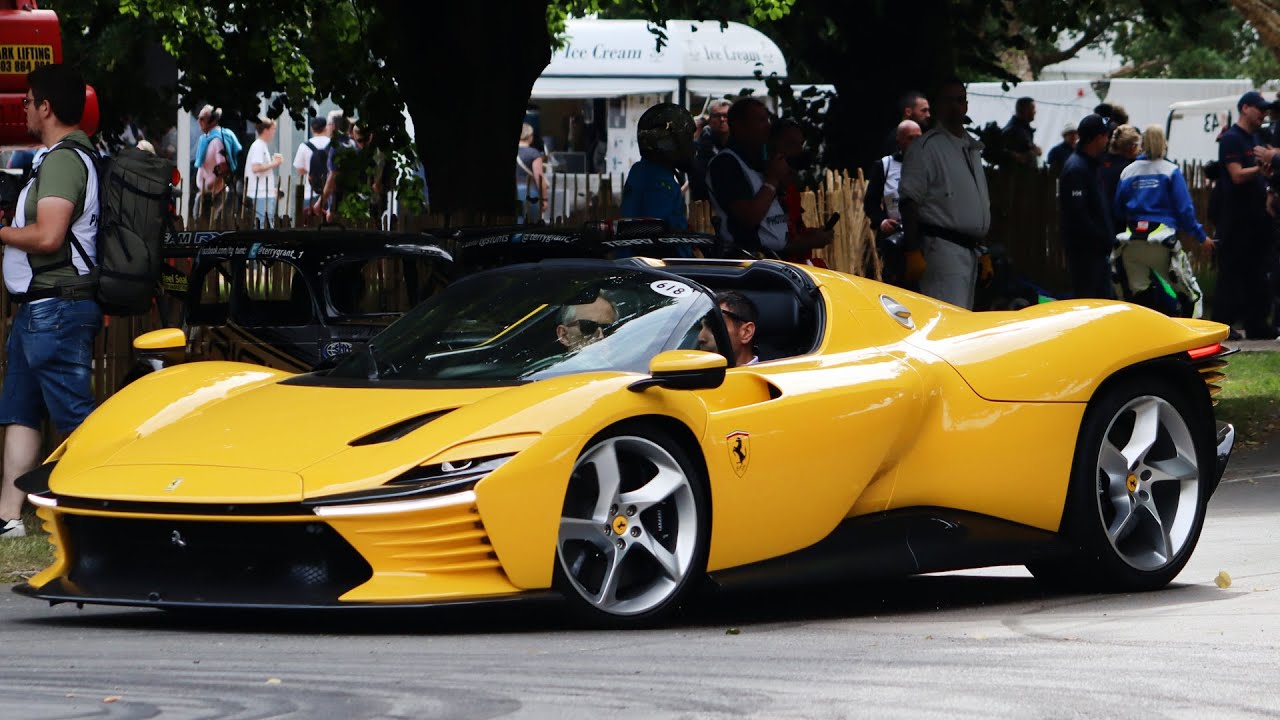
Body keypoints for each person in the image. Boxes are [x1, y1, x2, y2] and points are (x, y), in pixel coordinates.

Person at [0, 65, 103, 538]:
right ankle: (8, 519)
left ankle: (100, 512)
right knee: (21, 409)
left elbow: (48, 235)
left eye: (27, 101)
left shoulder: (64, 161)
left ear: (47, 107)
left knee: (73, 417)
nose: (22, 108)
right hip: (38, 308)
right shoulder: (53, 158)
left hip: (56, 309)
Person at [899, 78, 991, 309]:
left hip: (970, 251)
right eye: (949, 100)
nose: (955, 106)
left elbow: (975, 205)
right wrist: (912, 251)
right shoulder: (926, 148)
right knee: (947, 322)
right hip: (941, 250)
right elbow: (909, 200)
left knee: (965, 323)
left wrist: (983, 250)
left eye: (960, 100)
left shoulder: (971, 148)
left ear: (967, 105)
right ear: (937, 105)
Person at [706, 97, 831, 258]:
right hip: (748, 263)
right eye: (760, 120)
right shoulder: (725, 164)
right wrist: (772, 181)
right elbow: (748, 218)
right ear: (738, 126)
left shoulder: (762, 162)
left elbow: (774, 226)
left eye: (767, 120)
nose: (767, 126)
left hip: (773, 261)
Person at [1114, 125, 1215, 312]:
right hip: (1162, 241)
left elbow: (1118, 208)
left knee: (1139, 298)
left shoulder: (1128, 172)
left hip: (1132, 243)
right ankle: (1192, 337)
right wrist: (1201, 237)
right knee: (1191, 296)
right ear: (1164, 144)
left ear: (1142, 143)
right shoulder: (1170, 171)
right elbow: (1185, 211)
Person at [1212, 91, 1276, 339]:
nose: (1263, 114)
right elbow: (1237, 174)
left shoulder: (1259, 137)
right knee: (1232, 272)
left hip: (1259, 216)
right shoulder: (1232, 139)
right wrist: (1261, 168)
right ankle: (1223, 325)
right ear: (1245, 108)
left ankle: (1257, 324)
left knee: (1259, 273)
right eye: (1259, 108)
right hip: (1236, 218)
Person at [1059, 114, 1116, 299]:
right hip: (1086, 254)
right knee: (1089, 303)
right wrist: (1100, 238)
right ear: (1097, 138)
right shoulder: (1077, 169)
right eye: (1105, 135)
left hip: (1096, 253)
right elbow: (1078, 215)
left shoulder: (1090, 165)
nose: (1107, 140)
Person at [619, 103, 696, 241]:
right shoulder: (656, 179)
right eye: (688, 138)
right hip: (657, 260)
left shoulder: (644, 171)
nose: (691, 145)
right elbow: (660, 236)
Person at [769, 119, 834, 263]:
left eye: (800, 144)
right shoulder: (764, 190)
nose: (798, 151)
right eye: (790, 144)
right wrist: (810, 241)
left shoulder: (790, 189)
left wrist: (813, 234)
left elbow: (794, 230)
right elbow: (773, 245)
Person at [866, 120, 922, 286]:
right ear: (900, 140)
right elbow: (870, 203)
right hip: (896, 239)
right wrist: (882, 221)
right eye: (911, 138)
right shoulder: (885, 166)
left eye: (919, 138)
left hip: (924, 238)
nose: (916, 143)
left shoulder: (930, 166)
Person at [1099, 124, 1141, 231]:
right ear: (1131, 147)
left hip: (1101, 222)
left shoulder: (1100, 162)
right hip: (1122, 226)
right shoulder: (1130, 170)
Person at [244, 118, 284, 226]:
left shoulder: (261, 145)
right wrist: (274, 163)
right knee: (263, 224)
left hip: (263, 191)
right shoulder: (258, 146)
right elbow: (256, 168)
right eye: (273, 129)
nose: (274, 132)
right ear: (266, 130)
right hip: (261, 193)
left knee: (264, 222)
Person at [690, 99, 731, 202]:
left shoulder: (741, 143)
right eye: (717, 116)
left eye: (726, 115)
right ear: (710, 118)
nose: (722, 119)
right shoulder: (700, 145)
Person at [293, 116, 331, 207]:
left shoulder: (304, 146)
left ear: (312, 129)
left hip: (310, 191)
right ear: (326, 128)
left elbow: (299, 170)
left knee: (309, 220)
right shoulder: (332, 144)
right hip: (329, 191)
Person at [516, 123, 547, 222]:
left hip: (512, 192)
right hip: (529, 193)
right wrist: (544, 199)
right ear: (530, 137)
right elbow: (539, 177)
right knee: (530, 225)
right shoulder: (533, 153)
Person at [1000, 97, 1040, 168]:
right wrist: (1031, 154)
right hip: (1016, 176)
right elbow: (1005, 153)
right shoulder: (1012, 130)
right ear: (1024, 110)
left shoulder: (1024, 129)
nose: (1035, 111)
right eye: (1032, 108)